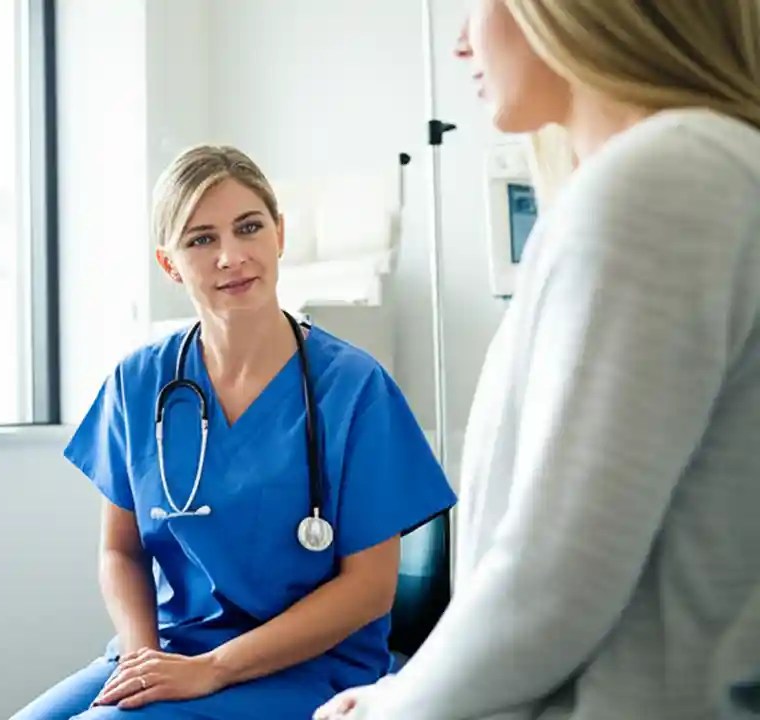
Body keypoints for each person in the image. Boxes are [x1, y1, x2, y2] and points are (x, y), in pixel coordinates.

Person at [314, 1, 760, 718]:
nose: (460, 42)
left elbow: (553, 581)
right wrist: (403, 692)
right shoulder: (682, 173)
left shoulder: (665, 177)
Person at [10, 145, 457, 719]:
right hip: (174, 649)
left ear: (279, 234)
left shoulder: (351, 387)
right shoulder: (139, 381)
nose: (231, 256)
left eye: (249, 228)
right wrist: (143, 655)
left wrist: (212, 670)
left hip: (310, 664)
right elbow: (120, 551)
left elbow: (369, 589)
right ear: (169, 264)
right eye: (201, 239)